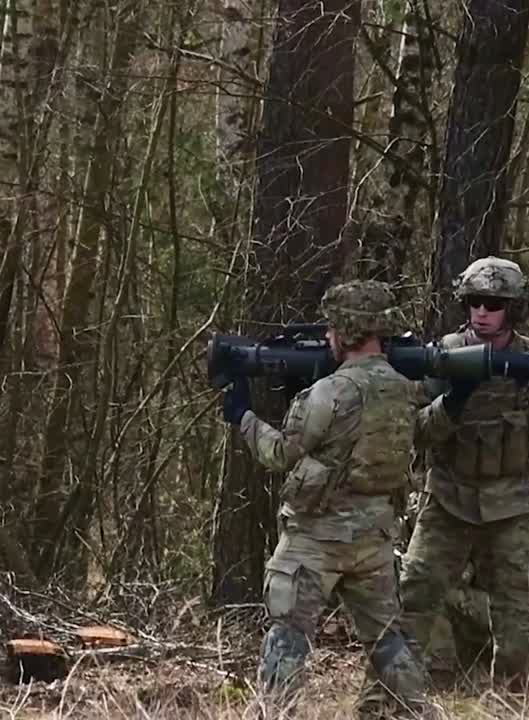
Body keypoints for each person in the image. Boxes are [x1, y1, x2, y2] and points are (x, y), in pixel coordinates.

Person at [221, 280, 431, 717]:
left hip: (316, 536)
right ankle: (420, 711)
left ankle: (275, 713)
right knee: (388, 638)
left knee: (289, 633)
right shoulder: (404, 388)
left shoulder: (330, 392)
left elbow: (279, 453)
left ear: (345, 330)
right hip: (374, 536)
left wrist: (243, 416)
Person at [400, 256, 529, 689]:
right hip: (447, 500)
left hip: (511, 505)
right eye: (475, 301)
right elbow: (414, 432)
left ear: (513, 309)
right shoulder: (444, 355)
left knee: (516, 620)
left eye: (493, 303)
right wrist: (453, 401)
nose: (482, 311)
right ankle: (393, 697)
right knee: (415, 596)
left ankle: (514, 703)